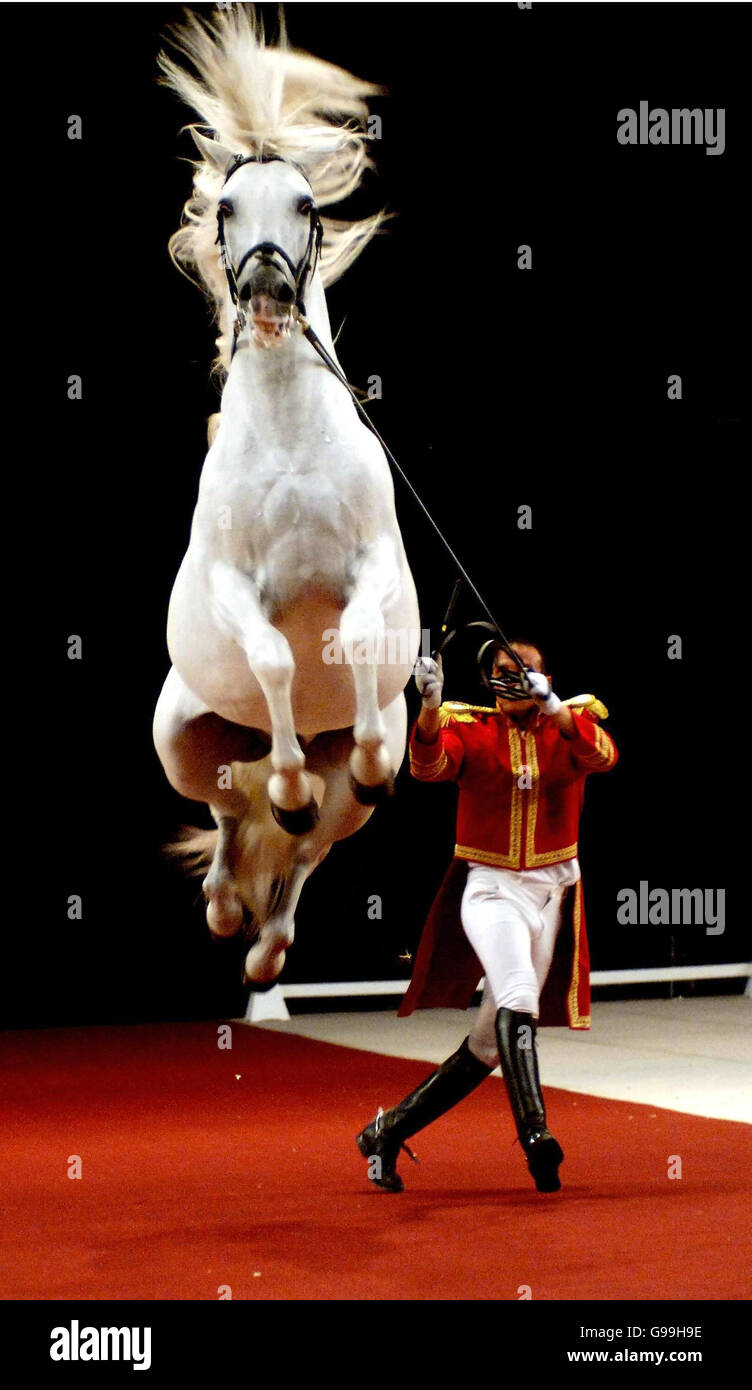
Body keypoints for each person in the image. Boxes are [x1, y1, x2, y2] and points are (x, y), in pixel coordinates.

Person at [356, 640, 618, 1194]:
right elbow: (427, 768)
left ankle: (386, 1131)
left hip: (552, 894)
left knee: (487, 1045)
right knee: (519, 993)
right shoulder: (470, 728)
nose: (514, 679)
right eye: (502, 671)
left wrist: (558, 711)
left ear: (545, 676)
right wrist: (427, 708)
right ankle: (537, 1138)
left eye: (525, 670)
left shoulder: (570, 724)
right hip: (492, 892)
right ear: (487, 678)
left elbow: (604, 758)